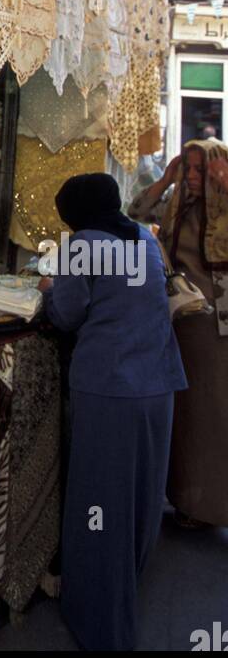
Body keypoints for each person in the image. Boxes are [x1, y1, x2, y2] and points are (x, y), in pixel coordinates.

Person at [38, 172, 186, 651]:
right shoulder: (143, 238)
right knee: (140, 498)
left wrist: (46, 289)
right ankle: (126, 591)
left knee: (99, 504)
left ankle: (101, 625)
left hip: (110, 389)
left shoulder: (83, 245)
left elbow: (66, 314)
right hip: (157, 385)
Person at [129, 137, 228, 528]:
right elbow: (135, 211)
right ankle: (188, 502)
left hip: (216, 332)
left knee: (213, 417)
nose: (190, 177)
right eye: (186, 168)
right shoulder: (178, 206)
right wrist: (165, 179)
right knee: (185, 417)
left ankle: (213, 508)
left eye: (198, 170)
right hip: (181, 324)